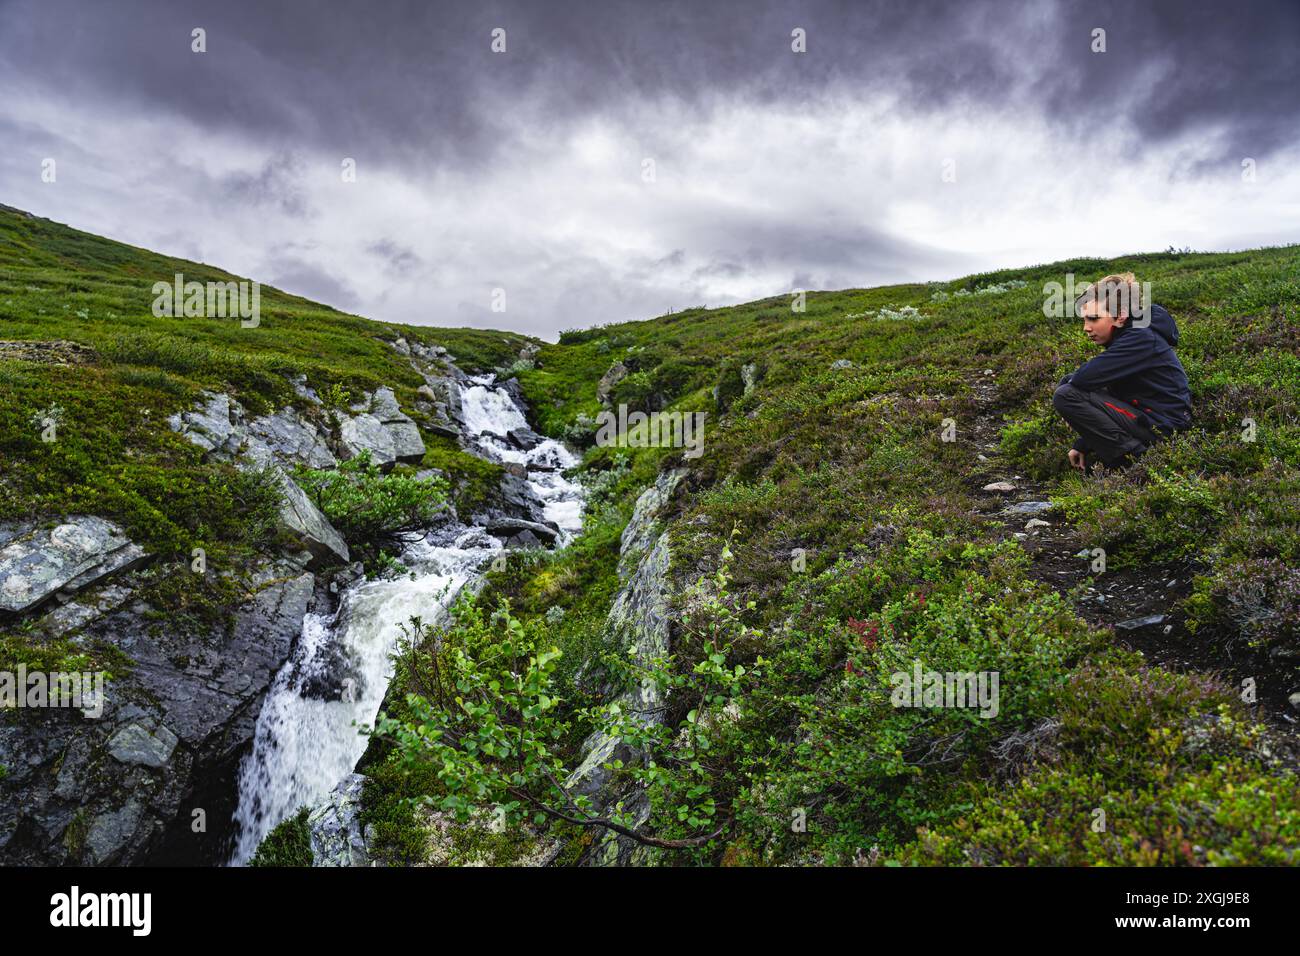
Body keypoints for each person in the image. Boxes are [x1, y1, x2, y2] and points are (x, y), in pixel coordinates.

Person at [1052, 272, 1192, 473]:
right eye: (1084, 320)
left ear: (1120, 317)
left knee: (1067, 393)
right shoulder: (1131, 334)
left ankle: (1133, 460)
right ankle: (1127, 455)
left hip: (1162, 427)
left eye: (1093, 318)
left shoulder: (1141, 338)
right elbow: (1113, 394)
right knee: (1069, 385)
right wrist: (1083, 443)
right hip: (1149, 418)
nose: (1086, 328)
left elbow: (1085, 378)